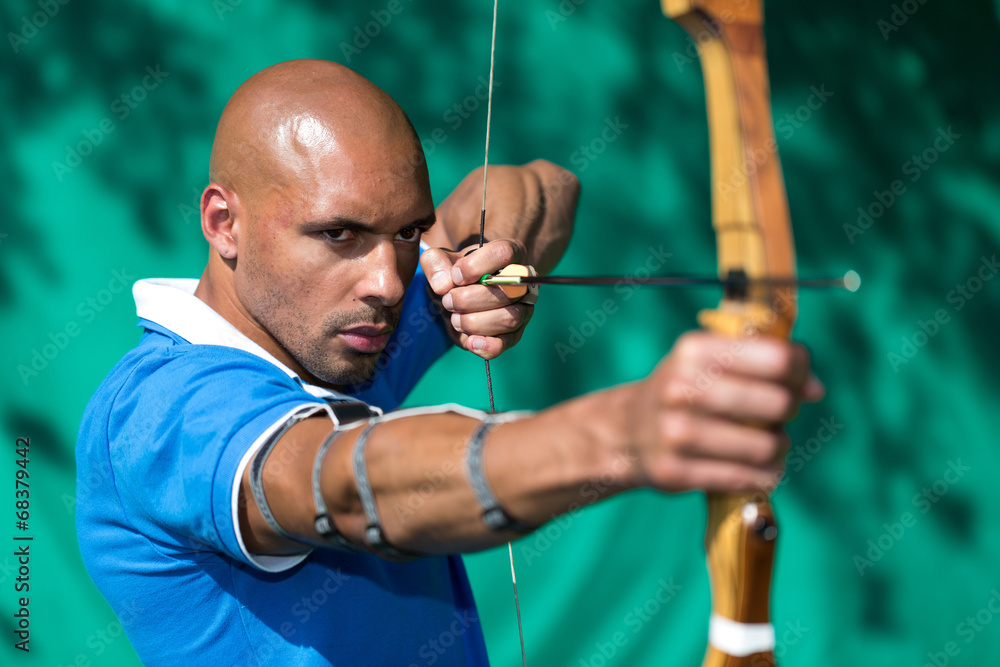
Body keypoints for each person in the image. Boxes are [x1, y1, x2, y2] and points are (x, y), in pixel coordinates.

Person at [76, 59, 822, 667]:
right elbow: (345, 486)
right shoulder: (160, 410)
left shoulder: (333, 331)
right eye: (339, 233)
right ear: (223, 222)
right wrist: (625, 432)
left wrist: (490, 257)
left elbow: (548, 188)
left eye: (403, 232)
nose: (386, 281)